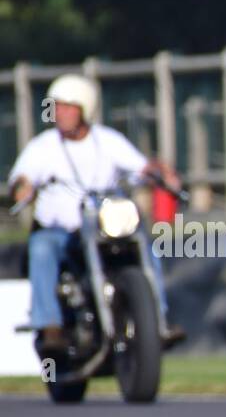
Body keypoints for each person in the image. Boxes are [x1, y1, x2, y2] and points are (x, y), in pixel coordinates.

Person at [7, 74, 185, 355]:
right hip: (61, 231)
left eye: (68, 106)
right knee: (41, 247)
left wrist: (160, 175)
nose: (60, 113)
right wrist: (23, 187)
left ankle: (157, 321)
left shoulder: (108, 141)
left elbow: (141, 167)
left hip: (103, 226)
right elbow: (22, 177)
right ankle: (49, 325)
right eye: (56, 106)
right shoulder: (43, 146)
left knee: (147, 248)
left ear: (85, 108)